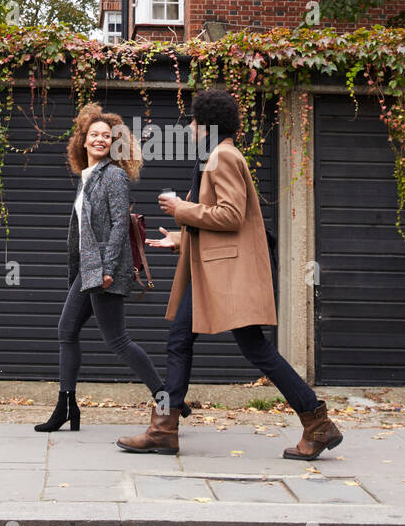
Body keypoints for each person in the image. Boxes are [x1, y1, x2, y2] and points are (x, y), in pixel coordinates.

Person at [116, 88, 344, 459]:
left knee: (253, 349)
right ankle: (164, 428)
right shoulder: (217, 155)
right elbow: (219, 218)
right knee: (182, 339)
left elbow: (230, 215)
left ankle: (316, 422)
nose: (188, 128)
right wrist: (178, 237)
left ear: (206, 124)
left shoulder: (221, 156)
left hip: (227, 275)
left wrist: (180, 209)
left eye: (192, 121)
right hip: (216, 272)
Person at [35, 104, 171, 433]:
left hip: (104, 269)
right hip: (89, 269)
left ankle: (168, 401)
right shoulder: (87, 177)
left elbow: (117, 227)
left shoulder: (113, 176)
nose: (99, 140)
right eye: (93, 135)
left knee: (118, 341)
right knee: (67, 331)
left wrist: (108, 268)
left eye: (106, 137)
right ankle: (67, 406)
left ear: (113, 144)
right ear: (82, 141)